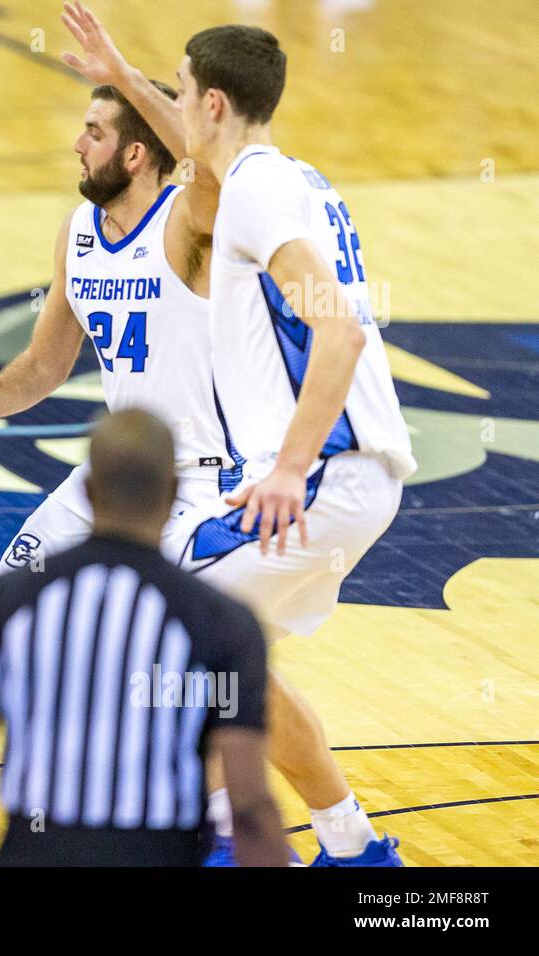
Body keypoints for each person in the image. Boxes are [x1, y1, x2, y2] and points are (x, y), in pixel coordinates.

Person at [0, 3, 398, 868]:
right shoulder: (78, 233)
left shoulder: (200, 216)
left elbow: (210, 162)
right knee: (12, 617)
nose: (77, 143)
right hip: (109, 472)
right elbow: (43, 366)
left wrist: (121, 71)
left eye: (93, 128)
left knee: (189, 658)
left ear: (141, 147)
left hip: (194, 478)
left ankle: (251, 833)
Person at [172, 24, 416, 866]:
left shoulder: (256, 191)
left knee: (162, 622)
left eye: (177, 91)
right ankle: (352, 848)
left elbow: (338, 332)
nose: (174, 108)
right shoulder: (296, 180)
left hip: (323, 479)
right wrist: (123, 75)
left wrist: (285, 469)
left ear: (212, 101)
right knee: (233, 666)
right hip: (351, 480)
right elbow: (190, 148)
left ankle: (226, 842)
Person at [0, 410, 287, 867]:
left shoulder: (8, 600)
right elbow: (249, 805)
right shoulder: (222, 620)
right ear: (175, 493)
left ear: (85, 489)